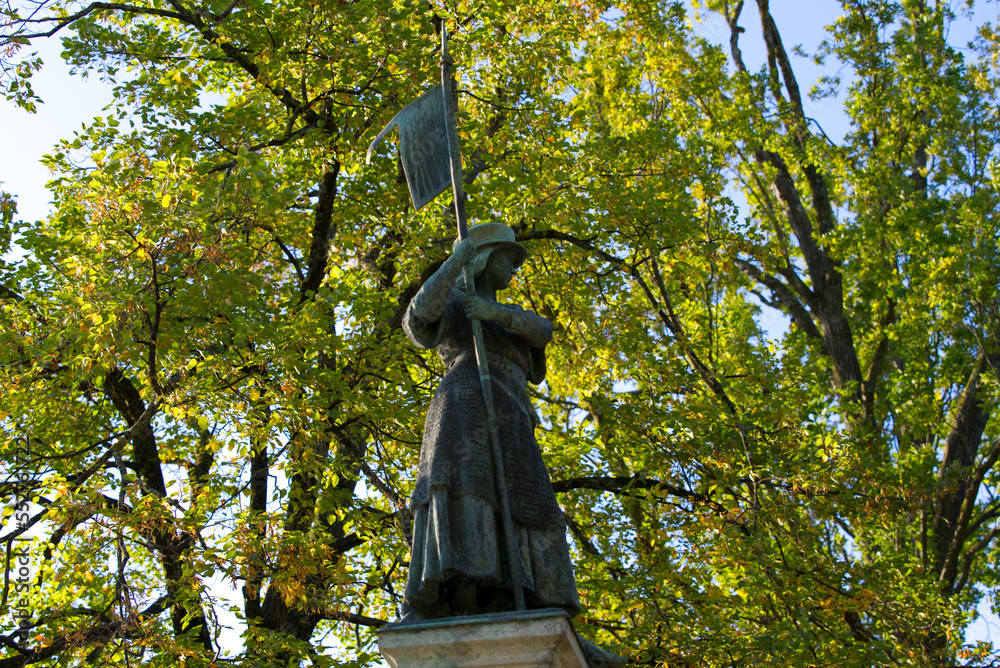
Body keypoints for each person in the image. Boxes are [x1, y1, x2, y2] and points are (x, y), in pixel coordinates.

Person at [400, 222, 580, 620]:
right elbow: (417, 318)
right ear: (483, 260)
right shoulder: (453, 303)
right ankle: (463, 589)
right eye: (506, 258)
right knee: (471, 484)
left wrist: (493, 312)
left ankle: (539, 601)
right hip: (465, 405)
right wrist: (452, 265)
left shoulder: (510, 316)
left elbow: (542, 331)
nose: (513, 267)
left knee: (532, 500)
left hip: (511, 413)